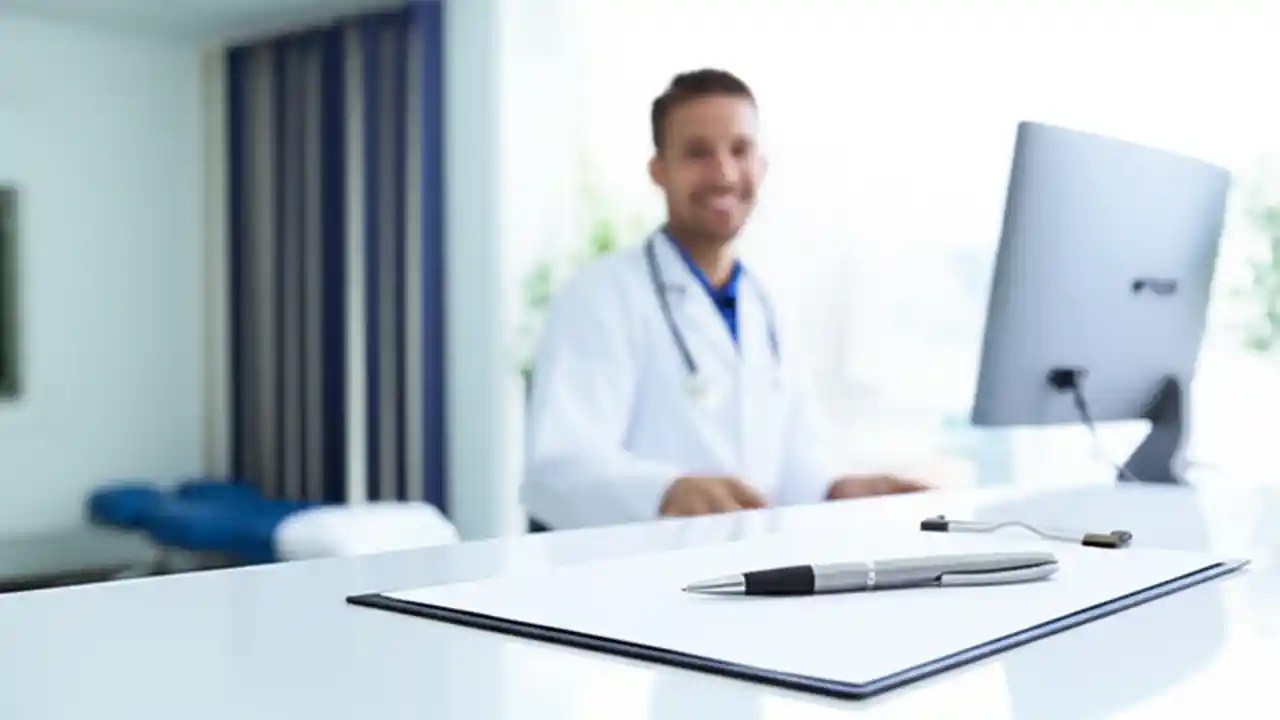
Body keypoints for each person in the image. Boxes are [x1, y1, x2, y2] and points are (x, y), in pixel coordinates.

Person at [521, 69, 929, 530]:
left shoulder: (767, 302)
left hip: (751, 573)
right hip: (635, 575)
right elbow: (555, 472)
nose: (725, 173)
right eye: (698, 153)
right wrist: (666, 491)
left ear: (763, 163)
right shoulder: (600, 296)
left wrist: (841, 490)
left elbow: (796, 464)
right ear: (659, 171)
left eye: (740, 150)